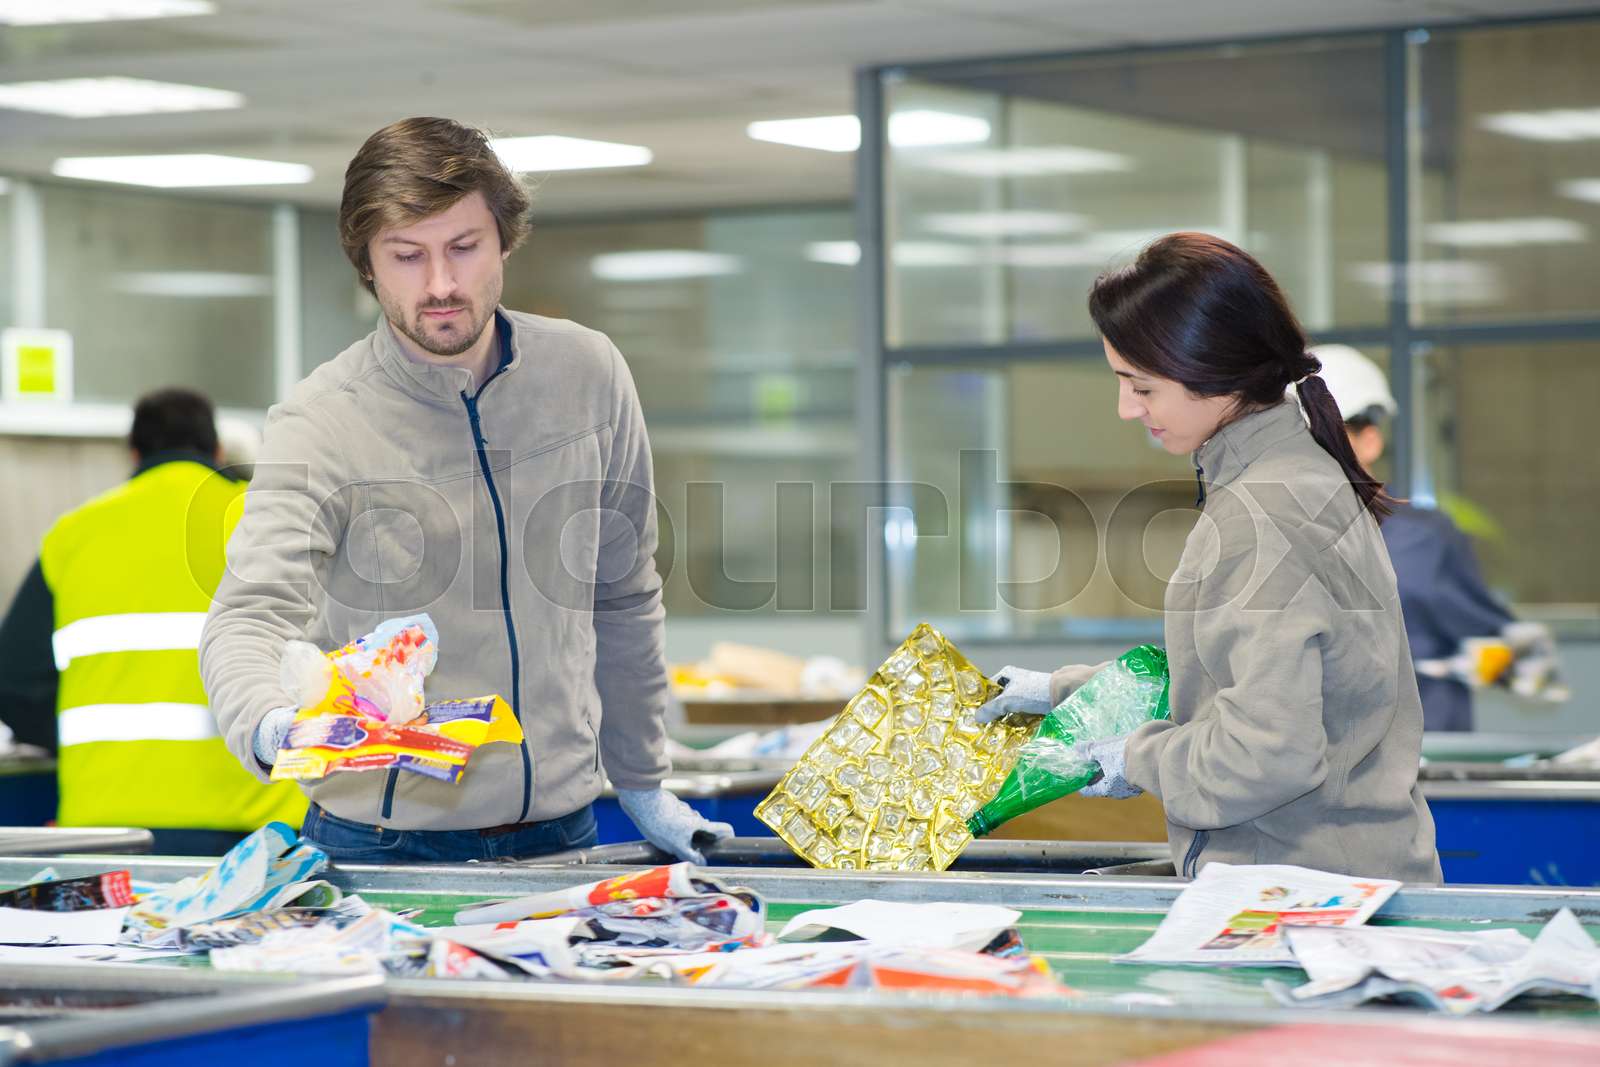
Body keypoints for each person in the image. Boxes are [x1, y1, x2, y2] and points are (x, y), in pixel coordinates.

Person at [200, 117, 732, 865]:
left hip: (565, 833)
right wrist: (271, 725)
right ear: (368, 265)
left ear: (505, 241)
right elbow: (248, 617)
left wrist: (643, 780)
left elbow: (623, 592)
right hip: (379, 845)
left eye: (463, 247)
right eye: (407, 256)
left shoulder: (589, 373)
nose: (441, 284)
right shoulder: (319, 421)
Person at [978, 233, 1441, 883]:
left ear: (1211, 370)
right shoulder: (1293, 475)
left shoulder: (1266, 512)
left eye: (1141, 386)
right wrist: (1061, 693)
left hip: (1304, 893)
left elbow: (1270, 754)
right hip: (1335, 875)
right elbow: (1238, 682)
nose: (1125, 408)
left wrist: (1137, 759)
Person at [0, 388, 306, 854]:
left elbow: (13, 680)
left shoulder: (75, 533)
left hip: (105, 829)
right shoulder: (263, 519)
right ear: (217, 451)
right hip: (256, 826)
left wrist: (86, 739)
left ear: (134, 452)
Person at [1312, 344, 1532, 733]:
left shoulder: (1423, 540)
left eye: (1332, 438)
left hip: (1426, 768)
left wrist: (1429, 665)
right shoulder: (1278, 536)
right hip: (1322, 774)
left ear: (1370, 440)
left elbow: (1516, 661)